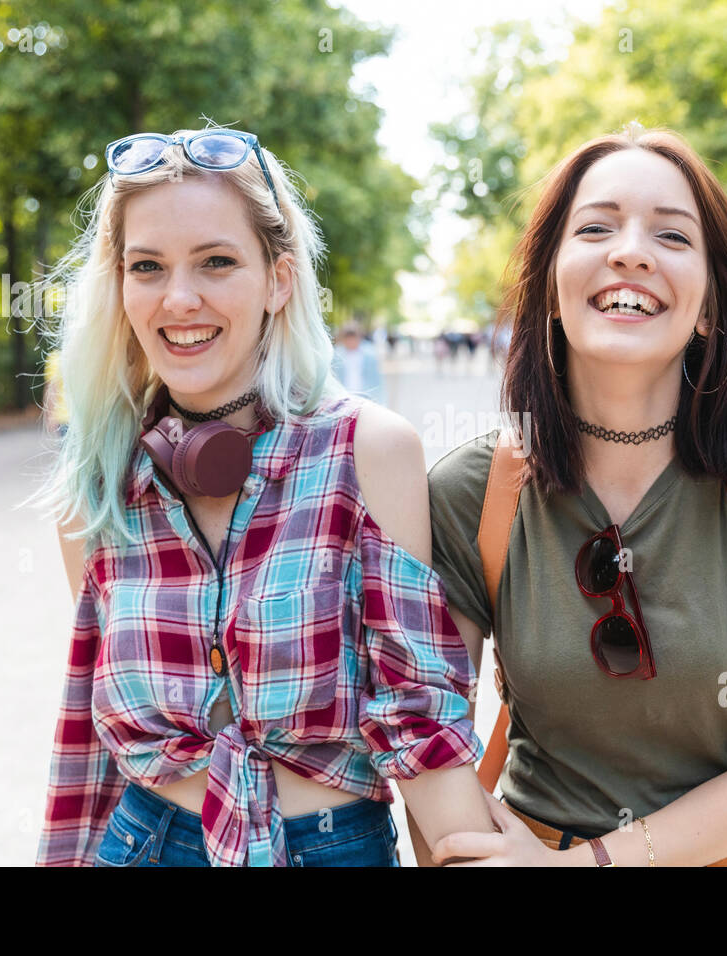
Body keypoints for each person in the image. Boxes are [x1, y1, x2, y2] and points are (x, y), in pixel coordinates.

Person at [25, 124, 492, 867]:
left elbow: (418, 725)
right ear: (119, 285)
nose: (180, 298)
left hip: (330, 848)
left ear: (278, 279)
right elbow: (100, 744)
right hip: (145, 844)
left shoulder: (368, 451)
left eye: (217, 261)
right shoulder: (95, 488)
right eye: (147, 266)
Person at [424, 124, 727, 866]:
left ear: (707, 304)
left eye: (672, 237)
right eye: (597, 227)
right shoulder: (470, 493)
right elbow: (429, 738)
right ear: (547, 286)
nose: (630, 251)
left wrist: (588, 867)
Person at [330, 320, 384, 403]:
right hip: (344, 397)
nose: (351, 342)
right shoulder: (337, 355)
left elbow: (376, 381)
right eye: (348, 339)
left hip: (365, 397)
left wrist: (379, 401)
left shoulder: (370, 354)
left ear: (359, 338)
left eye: (353, 338)